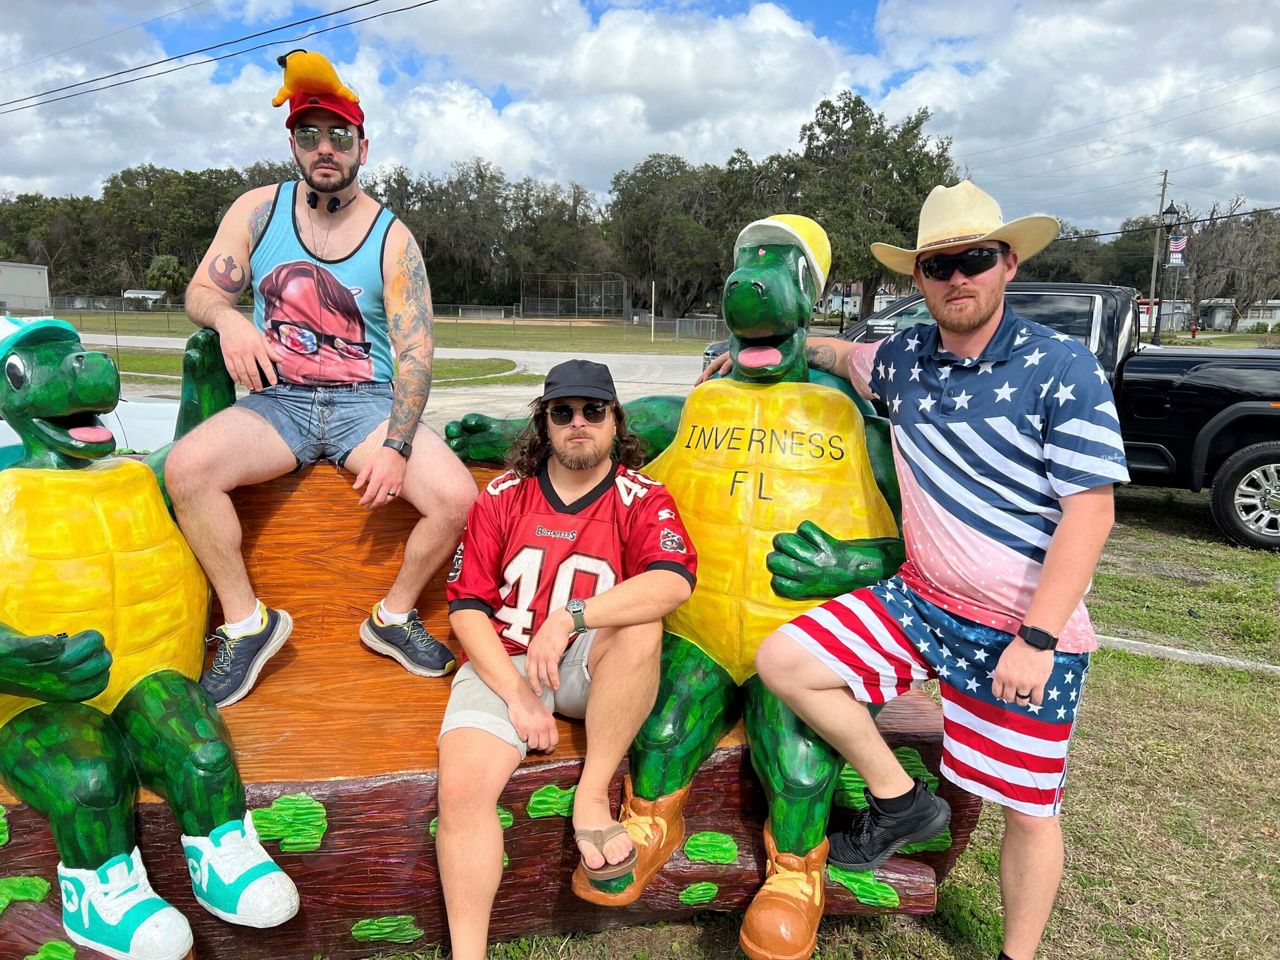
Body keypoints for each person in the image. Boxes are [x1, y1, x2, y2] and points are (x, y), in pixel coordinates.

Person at [708, 181, 1129, 960]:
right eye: (939, 265)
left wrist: (1036, 639)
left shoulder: (1060, 367)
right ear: (919, 279)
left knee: (1028, 807)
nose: (957, 278)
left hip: (1020, 626)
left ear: (1006, 263)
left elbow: (1090, 513)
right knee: (787, 661)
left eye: (974, 259)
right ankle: (901, 800)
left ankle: (1017, 954)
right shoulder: (904, 358)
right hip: (922, 600)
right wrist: (728, 360)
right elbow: (835, 351)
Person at [166, 50, 476, 707]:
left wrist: (395, 445)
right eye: (309, 134)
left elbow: (417, 353)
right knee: (188, 468)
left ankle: (391, 618)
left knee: (455, 496)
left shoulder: (393, 238)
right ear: (293, 144)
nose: (324, 147)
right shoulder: (257, 211)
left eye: (339, 134)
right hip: (279, 403)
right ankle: (248, 625)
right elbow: (200, 291)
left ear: (363, 144)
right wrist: (231, 322)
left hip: (366, 404)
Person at [436, 360, 697, 960]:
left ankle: (592, 792)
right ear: (544, 423)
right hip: (507, 662)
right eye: (563, 412)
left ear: (615, 421)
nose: (578, 423)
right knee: (463, 788)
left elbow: (672, 582)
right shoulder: (502, 496)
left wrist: (570, 617)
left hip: (588, 663)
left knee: (641, 626)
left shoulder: (643, 497)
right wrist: (518, 694)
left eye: (593, 410)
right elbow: (467, 608)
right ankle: (468, 953)